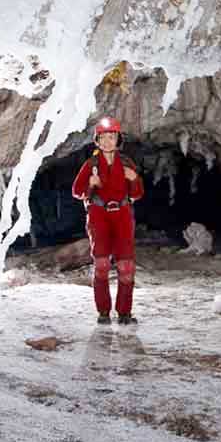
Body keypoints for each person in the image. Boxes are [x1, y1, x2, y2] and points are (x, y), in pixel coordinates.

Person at [72, 116, 142, 324]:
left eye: (112, 137)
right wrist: (90, 185)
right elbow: (77, 191)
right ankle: (103, 312)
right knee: (102, 264)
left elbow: (137, 194)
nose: (108, 141)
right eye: (104, 137)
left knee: (126, 266)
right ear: (97, 140)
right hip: (98, 215)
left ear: (117, 139)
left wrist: (134, 179)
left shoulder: (127, 163)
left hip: (122, 215)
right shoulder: (91, 163)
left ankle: (124, 312)